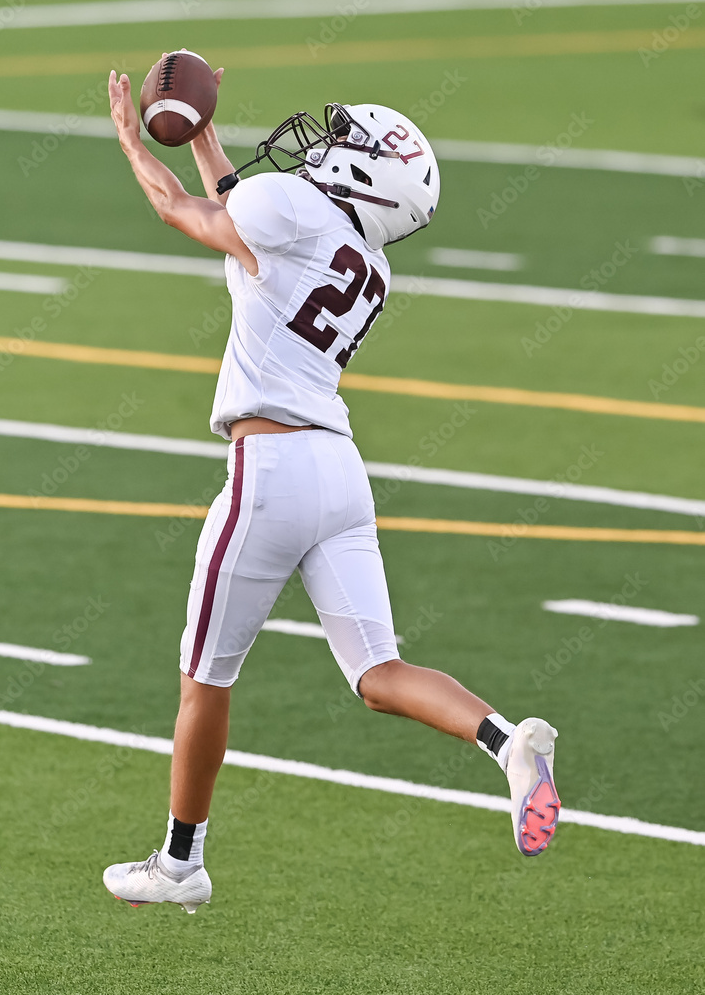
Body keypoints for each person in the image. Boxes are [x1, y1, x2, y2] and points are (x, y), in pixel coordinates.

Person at [103, 62, 560, 914]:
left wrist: (134, 140)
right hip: (338, 475)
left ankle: (179, 864)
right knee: (377, 670)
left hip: (268, 472)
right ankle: (505, 742)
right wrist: (205, 137)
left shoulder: (293, 211)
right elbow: (247, 225)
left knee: (204, 679)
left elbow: (186, 210)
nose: (322, 145)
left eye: (344, 141)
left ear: (367, 173)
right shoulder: (367, 265)